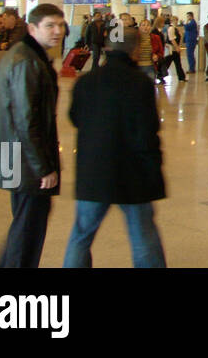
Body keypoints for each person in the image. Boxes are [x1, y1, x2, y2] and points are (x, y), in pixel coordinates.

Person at [62, 31, 167, 268]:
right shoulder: (140, 83)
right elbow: (148, 130)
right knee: (143, 237)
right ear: (134, 51)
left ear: (107, 50)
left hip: (93, 170)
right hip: (133, 172)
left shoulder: (86, 81)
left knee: (81, 236)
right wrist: (154, 167)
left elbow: (74, 117)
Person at [0, 4, 66, 268]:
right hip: (27, 161)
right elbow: (27, 121)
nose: (57, 31)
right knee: (28, 230)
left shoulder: (25, 54)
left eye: (60, 25)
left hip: (20, 157)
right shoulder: (27, 61)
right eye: (50, 25)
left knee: (25, 225)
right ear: (32, 28)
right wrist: (43, 168)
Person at [157, 15, 186, 83]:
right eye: (174, 20)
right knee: (167, 63)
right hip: (171, 49)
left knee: (177, 63)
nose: (176, 21)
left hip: (175, 49)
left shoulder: (176, 29)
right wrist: (177, 47)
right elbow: (172, 39)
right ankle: (160, 75)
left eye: (176, 20)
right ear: (171, 21)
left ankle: (181, 77)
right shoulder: (171, 29)